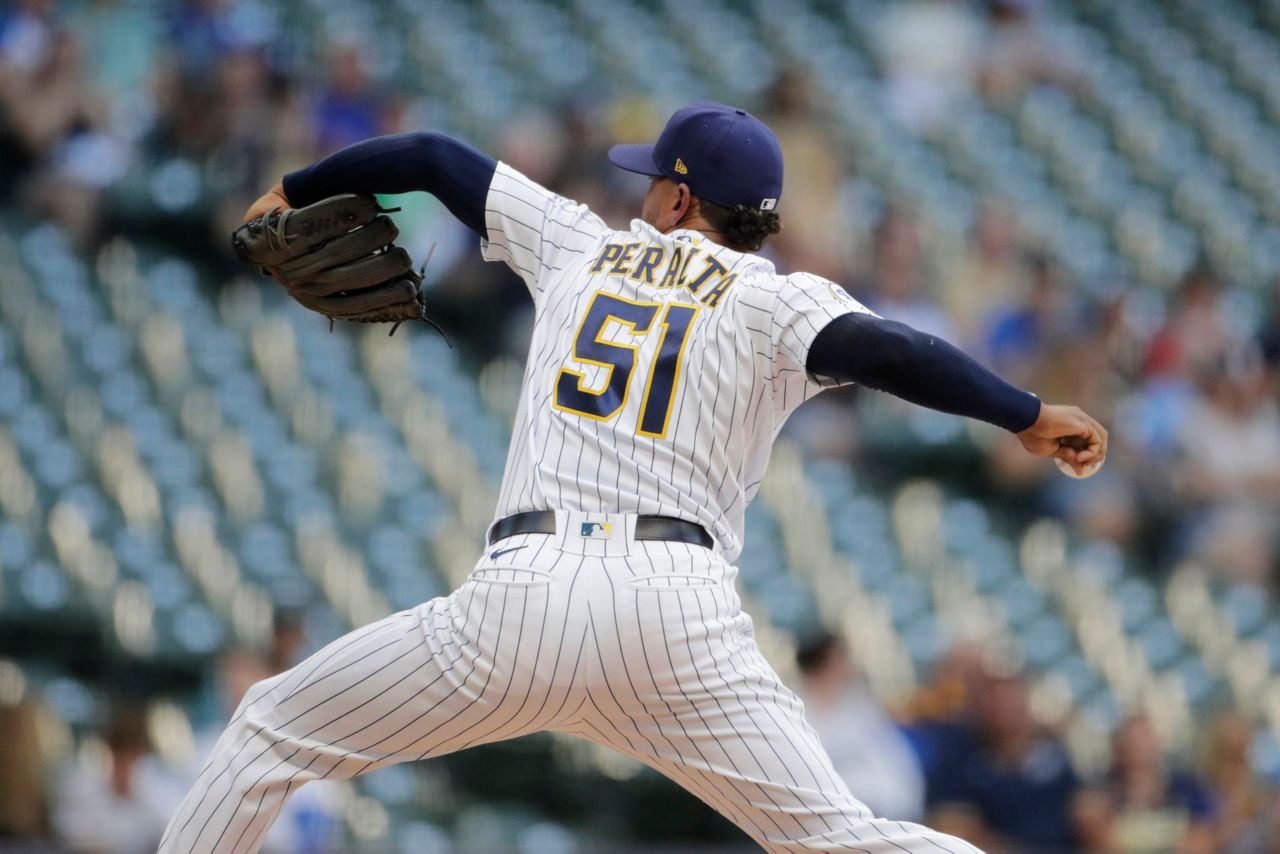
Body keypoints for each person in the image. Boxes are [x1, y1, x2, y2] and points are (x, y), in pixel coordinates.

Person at [161, 100, 1106, 853]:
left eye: (654, 178)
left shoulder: (578, 241)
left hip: (522, 609)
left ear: (680, 200)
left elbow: (429, 154)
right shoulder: (779, 302)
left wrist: (293, 186)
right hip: (676, 624)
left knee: (268, 732)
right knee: (841, 840)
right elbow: (893, 350)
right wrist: (1025, 415)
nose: (644, 190)